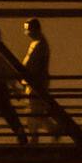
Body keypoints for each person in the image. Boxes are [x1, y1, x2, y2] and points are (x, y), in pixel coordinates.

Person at [21, 17, 58, 145]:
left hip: (36, 83)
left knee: (34, 112)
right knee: (35, 112)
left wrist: (22, 75)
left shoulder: (39, 44)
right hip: (35, 82)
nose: (26, 33)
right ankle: (43, 134)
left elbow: (32, 64)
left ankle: (47, 132)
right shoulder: (39, 43)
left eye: (28, 30)